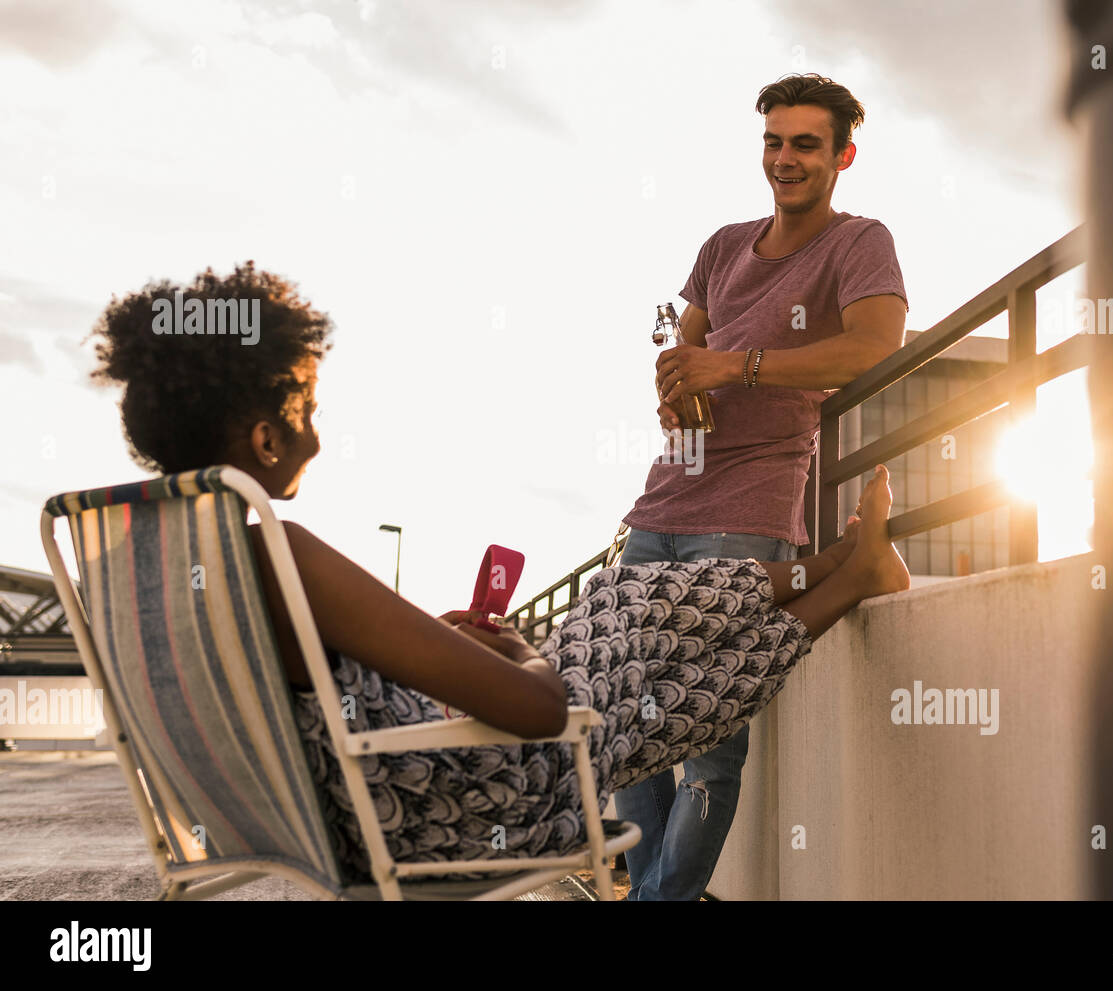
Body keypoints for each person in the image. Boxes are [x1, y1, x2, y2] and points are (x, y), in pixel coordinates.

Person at [88, 262, 911, 885]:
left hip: (355, 813)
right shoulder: (278, 551)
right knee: (637, 623)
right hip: (479, 801)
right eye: (306, 406)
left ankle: (842, 567)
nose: (317, 433)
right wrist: (518, 651)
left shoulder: (139, 571)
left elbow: (301, 688)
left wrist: (436, 653)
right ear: (265, 439)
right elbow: (540, 705)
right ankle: (837, 566)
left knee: (639, 625)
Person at [615, 72, 910, 899]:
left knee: (710, 735)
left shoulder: (859, 242)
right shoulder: (720, 245)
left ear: (843, 154)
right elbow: (685, 355)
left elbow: (872, 345)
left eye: (805, 144)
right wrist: (675, 383)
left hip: (748, 514)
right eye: (774, 142)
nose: (786, 159)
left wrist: (736, 366)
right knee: (622, 714)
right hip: (662, 503)